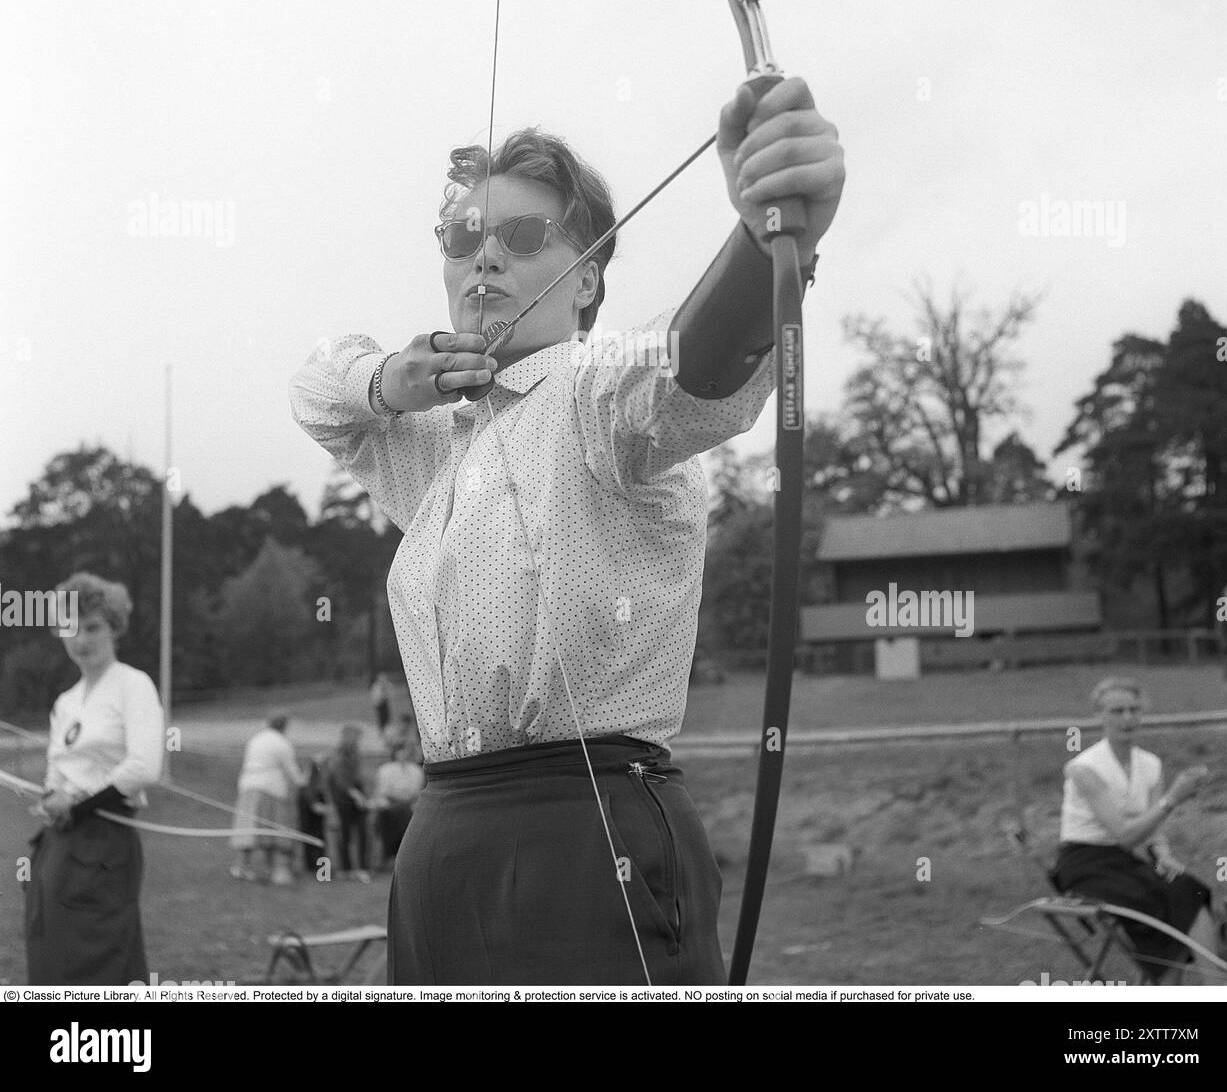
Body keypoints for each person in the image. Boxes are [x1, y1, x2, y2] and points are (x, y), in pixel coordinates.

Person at [290, 76, 844, 981]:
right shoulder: (435, 439)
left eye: (520, 236)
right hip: (441, 838)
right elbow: (317, 386)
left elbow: (695, 364)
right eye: (464, 236)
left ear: (586, 277)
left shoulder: (598, 393)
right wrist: (401, 377)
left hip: (588, 834)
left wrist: (768, 236)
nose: (485, 258)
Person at [23, 572, 164, 983]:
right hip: (58, 844)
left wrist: (78, 804)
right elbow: (56, 771)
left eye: (93, 627)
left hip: (105, 845)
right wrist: (52, 798)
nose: (81, 639)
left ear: (114, 628)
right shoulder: (65, 703)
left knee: (100, 959)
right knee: (49, 951)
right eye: (70, 628)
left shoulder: (134, 686)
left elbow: (144, 766)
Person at [1052, 677, 1217, 982]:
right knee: (1150, 903)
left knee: (1187, 888)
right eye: (1117, 711)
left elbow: (1152, 826)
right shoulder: (1084, 768)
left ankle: (1218, 988)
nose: (1127, 718)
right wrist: (1173, 799)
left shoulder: (1150, 764)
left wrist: (1162, 854)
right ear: (1099, 715)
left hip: (1124, 860)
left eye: (1133, 710)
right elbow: (1125, 835)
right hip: (1084, 863)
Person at [230, 713, 305, 884]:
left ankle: (242, 867)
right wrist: (303, 781)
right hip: (269, 789)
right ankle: (269, 868)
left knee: (247, 828)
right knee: (270, 830)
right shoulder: (281, 743)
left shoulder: (256, 739)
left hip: (247, 786)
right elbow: (292, 770)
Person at [325, 724, 371, 880]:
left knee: (362, 833)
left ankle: (362, 867)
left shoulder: (356, 755)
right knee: (345, 834)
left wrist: (362, 796)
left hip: (357, 797)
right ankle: (346, 869)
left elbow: (360, 777)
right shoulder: (338, 757)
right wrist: (356, 795)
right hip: (343, 799)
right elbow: (340, 781)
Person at [371, 738, 426, 866]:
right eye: (400, 751)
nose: (403, 755)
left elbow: (415, 790)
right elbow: (383, 790)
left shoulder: (416, 770)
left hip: (408, 804)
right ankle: (390, 852)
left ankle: (397, 853)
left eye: (406, 752)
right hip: (390, 804)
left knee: (403, 812)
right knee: (390, 814)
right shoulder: (385, 769)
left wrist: (403, 794)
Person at [296, 753, 332, 875]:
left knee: (318, 840)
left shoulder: (317, 778)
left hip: (315, 818)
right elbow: (310, 797)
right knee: (313, 840)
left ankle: (319, 870)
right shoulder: (311, 776)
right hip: (310, 817)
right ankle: (317, 870)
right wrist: (319, 806)